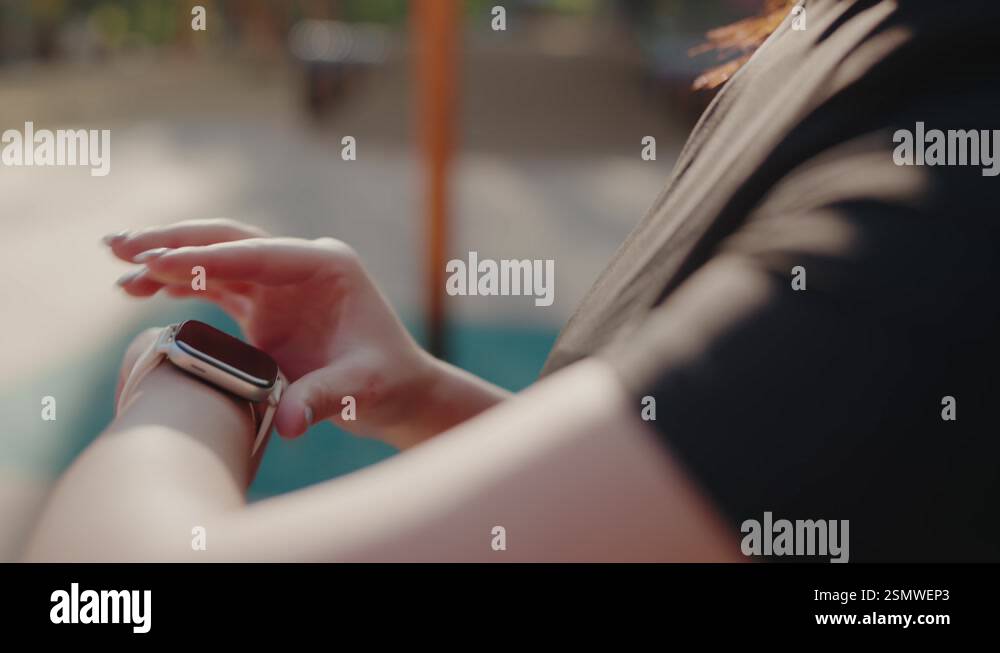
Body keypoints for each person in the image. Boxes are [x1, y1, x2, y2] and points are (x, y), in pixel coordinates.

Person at [24, 0, 1000, 562]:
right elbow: (716, 505)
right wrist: (425, 395)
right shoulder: (843, 31)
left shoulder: (955, 140)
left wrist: (190, 390)